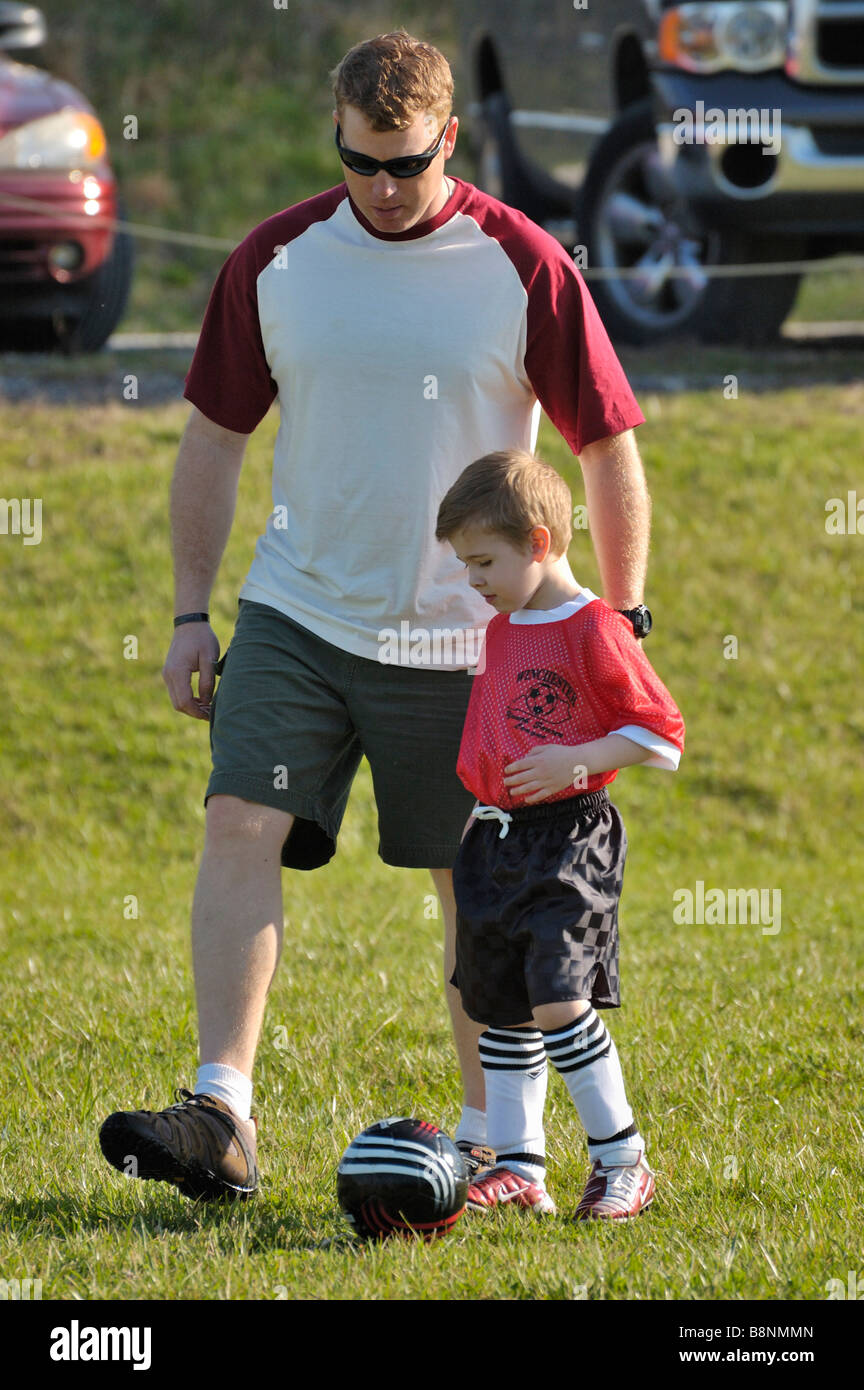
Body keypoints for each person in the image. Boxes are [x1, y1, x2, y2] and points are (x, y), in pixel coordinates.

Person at [98, 30, 652, 1202]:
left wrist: (623, 615)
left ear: (449, 138)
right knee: (240, 821)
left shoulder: (525, 263)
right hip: (299, 611)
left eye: (405, 164)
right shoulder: (276, 260)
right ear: (336, 141)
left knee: (474, 886)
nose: (384, 189)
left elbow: (607, 443)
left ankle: (497, 1147)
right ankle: (221, 1113)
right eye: (361, 164)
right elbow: (212, 438)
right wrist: (192, 610)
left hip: (466, 642)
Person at [435, 449, 684, 1219]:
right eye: (463, 563)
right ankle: (521, 1170)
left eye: (483, 561)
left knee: (557, 1001)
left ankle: (622, 1161)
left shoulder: (593, 626)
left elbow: (659, 733)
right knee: (502, 1005)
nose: (471, 579)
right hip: (495, 843)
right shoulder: (504, 628)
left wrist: (579, 761)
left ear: (539, 543)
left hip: (570, 842)